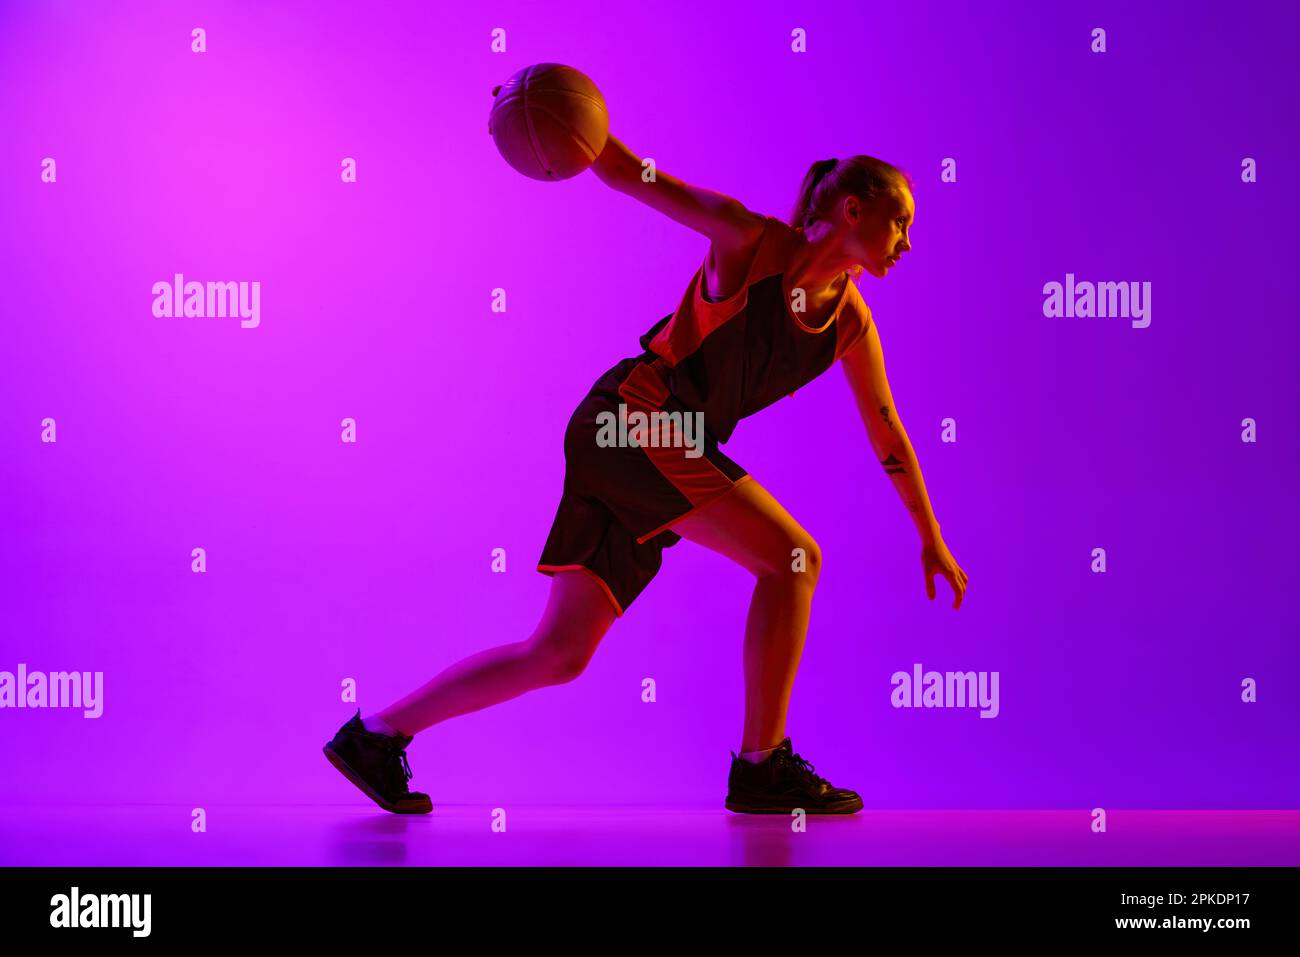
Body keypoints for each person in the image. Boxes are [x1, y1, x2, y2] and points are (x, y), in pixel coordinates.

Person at [323, 137, 969, 815]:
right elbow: (639, 179)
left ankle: (374, 735)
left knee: (558, 653)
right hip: (635, 418)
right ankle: (761, 766)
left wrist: (929, 534)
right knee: (794, 559)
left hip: (650, 444)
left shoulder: (851, 326)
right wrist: (570, 122)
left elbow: (887, 431)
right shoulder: (748, 241)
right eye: (901, 222)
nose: (907, 242)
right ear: (853, 209)